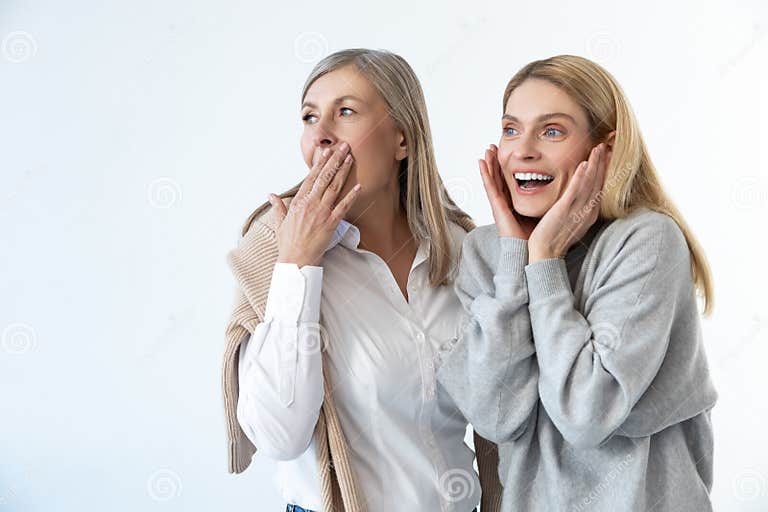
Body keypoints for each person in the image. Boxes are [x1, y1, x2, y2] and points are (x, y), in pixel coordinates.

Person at [222, 48, 502, 512]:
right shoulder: (272, 251)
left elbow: (506, 406)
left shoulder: (463, 251)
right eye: (310, 118)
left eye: (345, 112)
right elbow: (278, 436)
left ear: (402, 140)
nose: (322, 136)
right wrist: (298, 265)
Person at [436, 54, 718, 511]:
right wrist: (516, 261)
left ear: (604, 149)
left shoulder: (646, 240)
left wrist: (543, 261)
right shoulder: (487, 252)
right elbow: (496, 417)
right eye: (511, 129)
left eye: (551, 131)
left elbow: (587, 415)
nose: (523, 150)